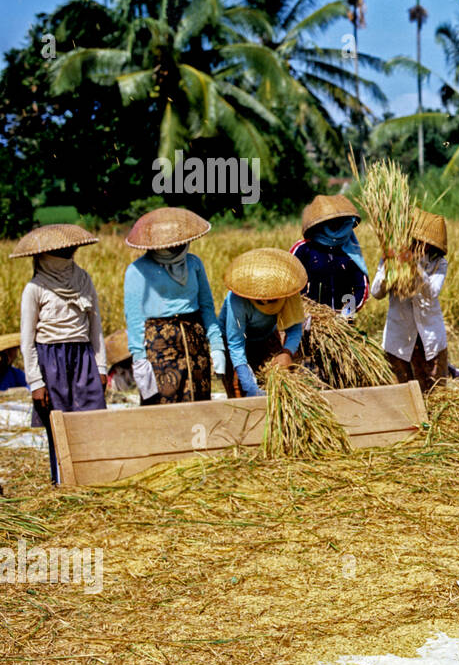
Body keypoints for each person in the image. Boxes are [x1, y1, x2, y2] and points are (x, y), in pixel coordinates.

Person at [10, 224, 107, 483]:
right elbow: (27, 340)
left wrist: (101, 367)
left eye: (69, 250)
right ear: (45, 256)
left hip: (83, 357)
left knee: (90, 418)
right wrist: (36, 382)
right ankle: (63, 482)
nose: (67, 254)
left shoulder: (83, 279)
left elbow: (95, 326)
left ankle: (93, 479)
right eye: (61, 251)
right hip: (50, 360)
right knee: (58, 424)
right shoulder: (35, 288)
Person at [123, 207, 225, 405]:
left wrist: (216, 345)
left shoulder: (193, 263)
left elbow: (206, 306)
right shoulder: (137, 270)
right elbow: (134, 317)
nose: (178, 248)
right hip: (159, 345)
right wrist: (139, 357)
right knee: (163, 402)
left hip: (195, 341)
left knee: (199, 401)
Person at [372, 209, 450, 391]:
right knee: (401, 390)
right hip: (399, 335)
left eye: (425, 243)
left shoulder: (438, 263)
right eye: (417, 241)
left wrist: (414, 265)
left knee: (434, 392)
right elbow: (377, 292)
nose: (421, 246)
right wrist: (388, 267)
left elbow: (432, 292)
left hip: (428, 336)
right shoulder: (392, 258)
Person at [218, 249, 307, 398]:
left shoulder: (287, 291)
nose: (266, 302)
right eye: (261, 300)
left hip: (266, 335)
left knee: (278, 386)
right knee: (240, 392)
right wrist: (250, 387)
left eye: (273, 299)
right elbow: (235, 344)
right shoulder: (238, 300)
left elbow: (295, 329)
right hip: (235, 342)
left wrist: (287, 353)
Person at [290, 194, 369, 317]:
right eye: (330, 222)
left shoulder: (350, 251)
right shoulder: (304, 249)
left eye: (339, 222)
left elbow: (361, 287)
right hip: (309, 320)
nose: (335, 225)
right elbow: (288, 282)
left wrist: (347, 311)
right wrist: (303, 310)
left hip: (341, 322)